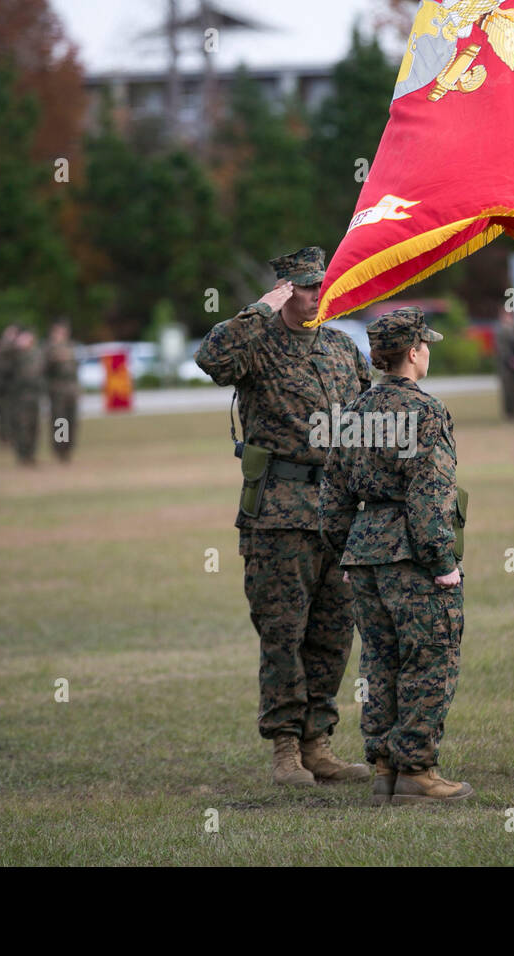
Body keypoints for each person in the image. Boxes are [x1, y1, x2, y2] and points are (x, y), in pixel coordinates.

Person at [195, 246, 371, 787]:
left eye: (322, 285)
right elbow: (212, 359)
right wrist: (258, 309)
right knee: (282, 634)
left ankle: (319, 742)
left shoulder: (343, 348)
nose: (317, 294)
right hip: (278, 514)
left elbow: (368, 419)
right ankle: (286, 749)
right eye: (306, 286)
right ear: (284, 291)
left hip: (337, 514)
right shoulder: (256, 345)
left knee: (333, 633)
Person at [320, 308, 471, 806]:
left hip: (364, 551)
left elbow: (333, 494)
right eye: (424, 344)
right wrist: (442, 562)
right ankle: (417, 771)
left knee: (380, 661)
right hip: (411, 553)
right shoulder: (426, 412)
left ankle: (384, 766)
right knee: (429, 658)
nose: (427, 351)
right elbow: (429, 497)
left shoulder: (355, 411)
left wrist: (345, 552)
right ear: (412, 352)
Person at [45, 321, 79, 462]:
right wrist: (55, 356)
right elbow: (45, 369)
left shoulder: (71, 347)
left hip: (70, 390)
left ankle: (68, 448)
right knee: (61, 421)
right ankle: (60, 449)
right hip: (58, 391)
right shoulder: (49, 349)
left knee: (71, 421)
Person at [11, 330, 43, 466]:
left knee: (34, 427)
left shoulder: (36, 354)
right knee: (22, 426)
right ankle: (23, 455)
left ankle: (31, 454)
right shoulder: (15, 355)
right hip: (20, 397)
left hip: (35, 397)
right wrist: (15, 343)